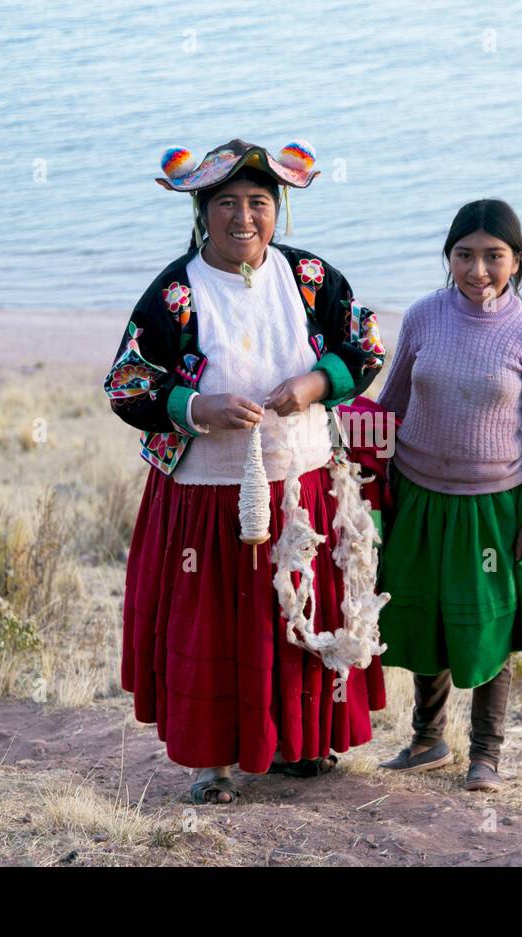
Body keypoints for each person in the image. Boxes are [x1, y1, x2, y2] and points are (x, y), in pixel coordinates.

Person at [104, 138, 387, 804]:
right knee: (214, 620)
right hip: (207, 495)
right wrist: (196, 406)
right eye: (226, 202)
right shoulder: (174, 293)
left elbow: (366, 344)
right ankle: (214, 761)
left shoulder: (311, 277)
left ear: (278, 208)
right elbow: (126, 385)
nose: (243, 218)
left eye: (258, 202)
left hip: (303, 488)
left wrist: (317, 383)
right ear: (202, 212)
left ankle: (298, 744)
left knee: (295, 609)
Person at [375, 198, 522, 792]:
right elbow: (390, 405)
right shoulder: (424, 317)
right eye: (464, 254)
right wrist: (359, 467)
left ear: (516, 259)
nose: (478, 269)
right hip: (418, 496)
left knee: (490, 626)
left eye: (493, 256)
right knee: (424, 614)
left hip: (494, 506)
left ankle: (487, 754)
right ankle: (427, 741)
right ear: (449, 256)